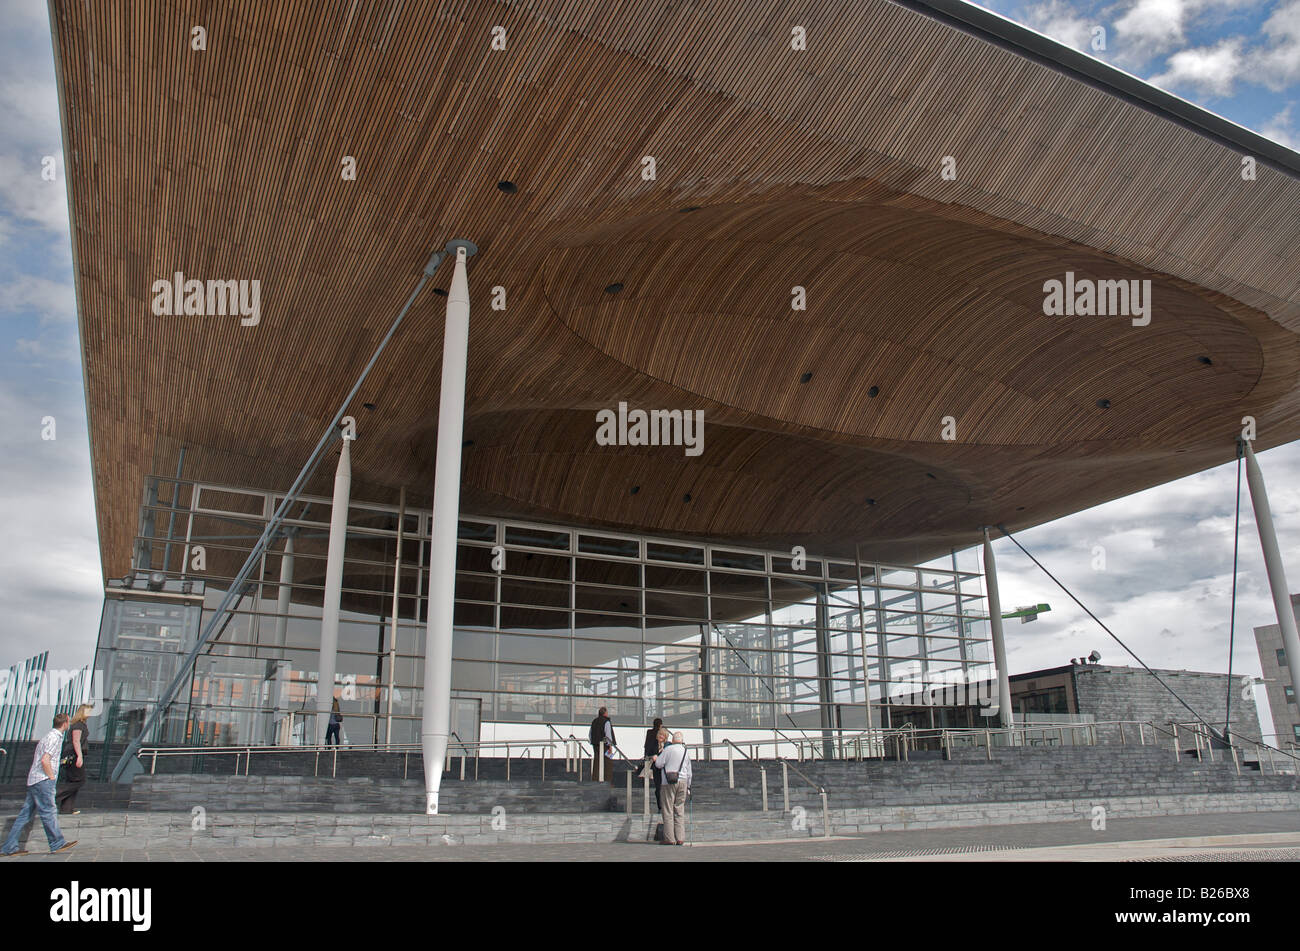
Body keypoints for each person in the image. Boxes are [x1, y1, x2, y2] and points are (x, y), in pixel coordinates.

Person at [2, 713, 77, 856]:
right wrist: (51, 777)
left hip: (34, 779)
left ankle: (9, 847)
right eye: (69, 721)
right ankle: (57, 843)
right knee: (48, 811)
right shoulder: (54, 738)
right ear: (65, 723)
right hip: (43, 780)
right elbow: (45, 760)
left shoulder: (47, 736)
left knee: (25, 815)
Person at [654, 731, 692, 846]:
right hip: (683, 782)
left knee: (668, 809)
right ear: (682, 740)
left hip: (668, 782)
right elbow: (689, 771)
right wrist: (688, 786)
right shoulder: (686, 751)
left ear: (673, 740)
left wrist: (656, 758)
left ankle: (670, 838)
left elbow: (659, 764)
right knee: (679, 810)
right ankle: (680, 837)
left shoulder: (668, 750)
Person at [56, 704, 94, 815]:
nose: (90, 714)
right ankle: (54, 795)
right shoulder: (78, 725)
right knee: (79, 780)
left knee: (73, 780)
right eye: (88, 711)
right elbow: (76, 741)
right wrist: (79, 756)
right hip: (74, 754)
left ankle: (66, 808)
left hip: (73, 753)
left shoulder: (80, 724)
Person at [588, 707, 616, 783]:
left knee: (597, 762)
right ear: (605, 713)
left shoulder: (594, 721)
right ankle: (608, 780)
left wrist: (592, 742)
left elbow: (590, 734)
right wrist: (610, 746)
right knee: (608, 762)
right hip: (605, 745)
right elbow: (608, 735)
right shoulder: (606, 722)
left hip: (596, 744)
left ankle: (595, 780)